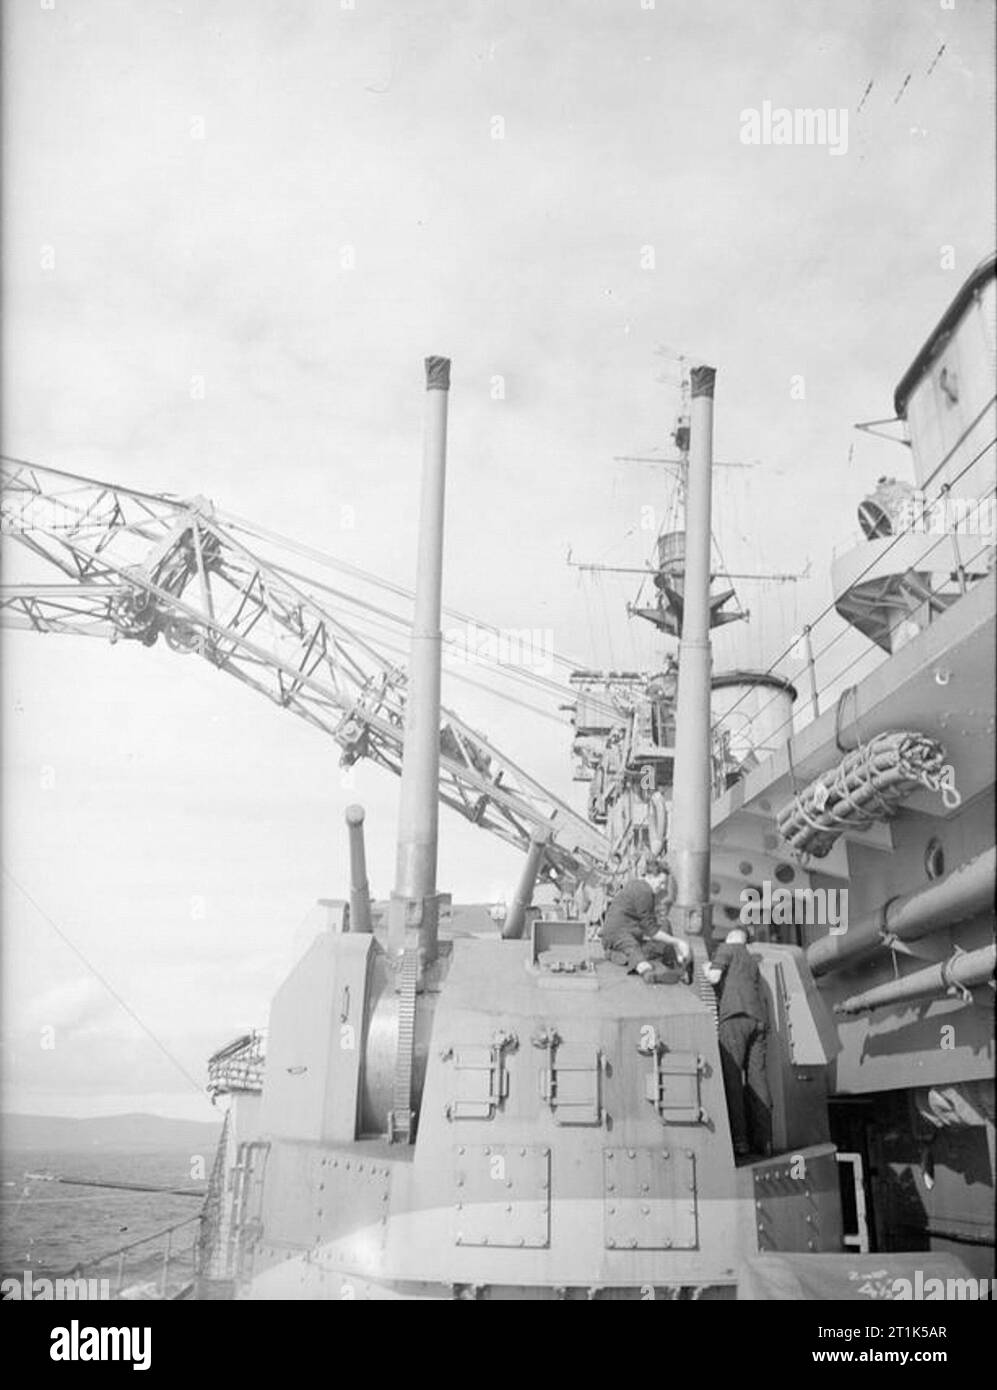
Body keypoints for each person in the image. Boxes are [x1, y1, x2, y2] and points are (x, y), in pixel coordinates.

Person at [703, 927, 772, 1158]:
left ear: (731, 937)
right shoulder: (752, 961)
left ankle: (740, 1141)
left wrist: (706, 968)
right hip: (759, 1021)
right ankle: (765, 1141)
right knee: (757, 1080)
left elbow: (713, 977)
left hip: (734, 1018)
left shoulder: (727, 949)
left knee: (732, 1079)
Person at [600, 859, 691, 984]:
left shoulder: (637, 885)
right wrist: (678, 942)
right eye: (662, 882)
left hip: (618, 932)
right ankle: (651, 971)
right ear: (651, 877)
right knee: (635, 951)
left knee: (662, 929)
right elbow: (651, 930)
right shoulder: (645, 891)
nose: (663, 887)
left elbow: (649, 922)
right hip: (620, 933)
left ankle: (614, 955)